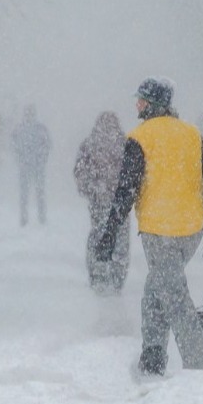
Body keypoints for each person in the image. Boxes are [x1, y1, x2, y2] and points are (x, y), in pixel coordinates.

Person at [92, 78, 203, 376]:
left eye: (141, 99)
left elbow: (126, 190)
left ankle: (199, 364)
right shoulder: (193, 135)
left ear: (152, 104)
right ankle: (152, 355)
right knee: (157, 288)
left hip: (159, 231)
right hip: (191, 229)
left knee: (175, 298)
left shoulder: (140, 138)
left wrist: (110, 232)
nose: (136, 104)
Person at [73, 111, 130, 294]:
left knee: (99, 234)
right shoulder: (124, 143)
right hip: (119, 200)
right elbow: (133, 172)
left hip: (102, 199)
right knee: (119, 236)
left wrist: (92, 188)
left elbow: (80, 172)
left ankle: (99, 275)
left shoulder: (90, 144)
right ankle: (116, 276)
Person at [12, 105, 52, 226]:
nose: (29, 115)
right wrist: (20, 159)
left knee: (39, 193)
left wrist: (42, 159)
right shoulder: (19, 129)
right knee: (25, 193)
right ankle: (24, 218)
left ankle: (41, 217)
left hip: (37, 167)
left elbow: (47, 145)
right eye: (27, 113)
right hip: (25, 166)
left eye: (31, 113)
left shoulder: (40, 128)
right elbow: (13, 146)